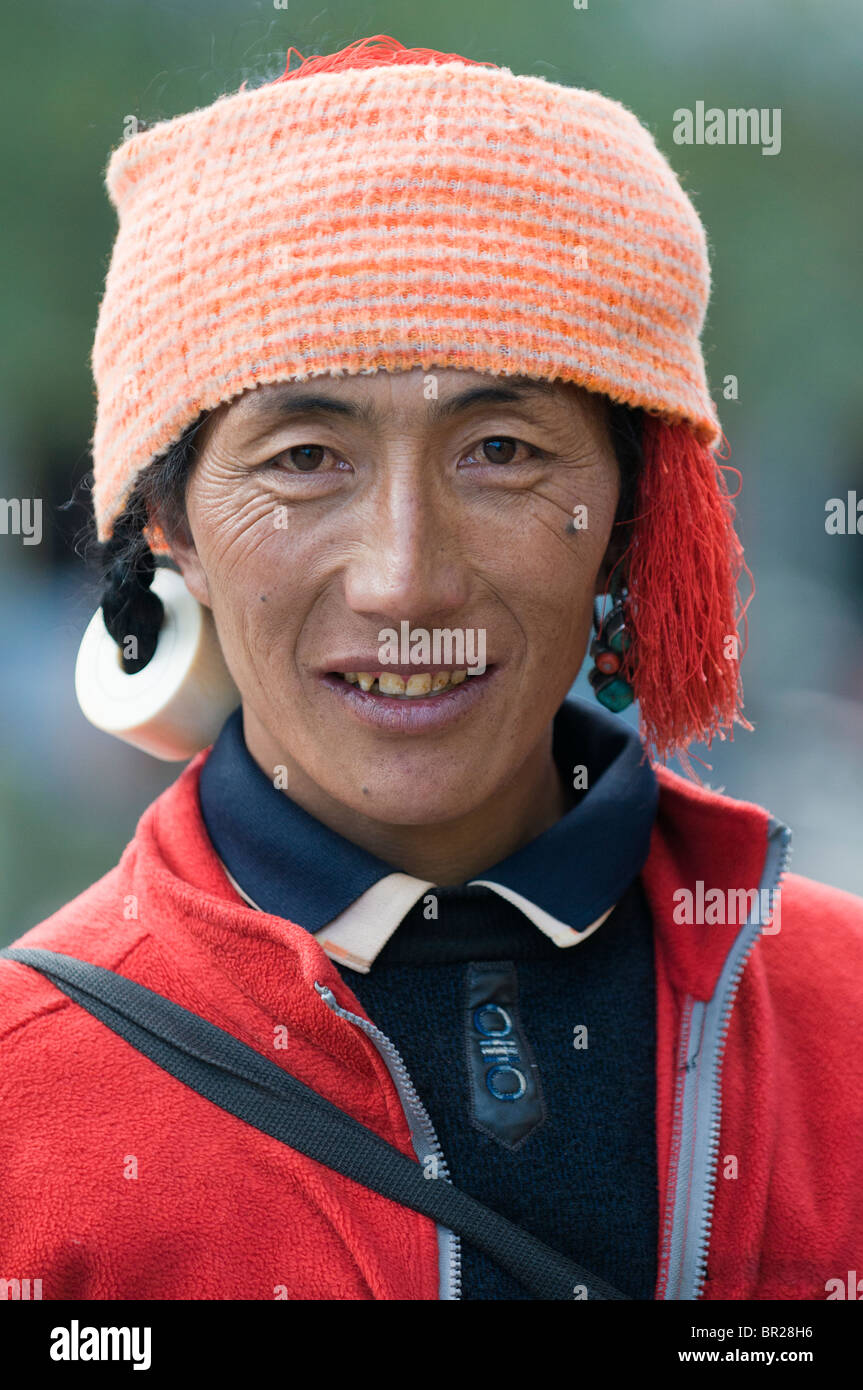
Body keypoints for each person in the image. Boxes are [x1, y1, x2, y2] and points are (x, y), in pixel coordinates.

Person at [1, 35, 861, 1302]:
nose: (404, 579)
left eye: (502, 448)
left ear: (629, 508)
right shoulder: (29, 1098)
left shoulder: (839, 1026)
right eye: (303, 457)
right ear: (167, 522)